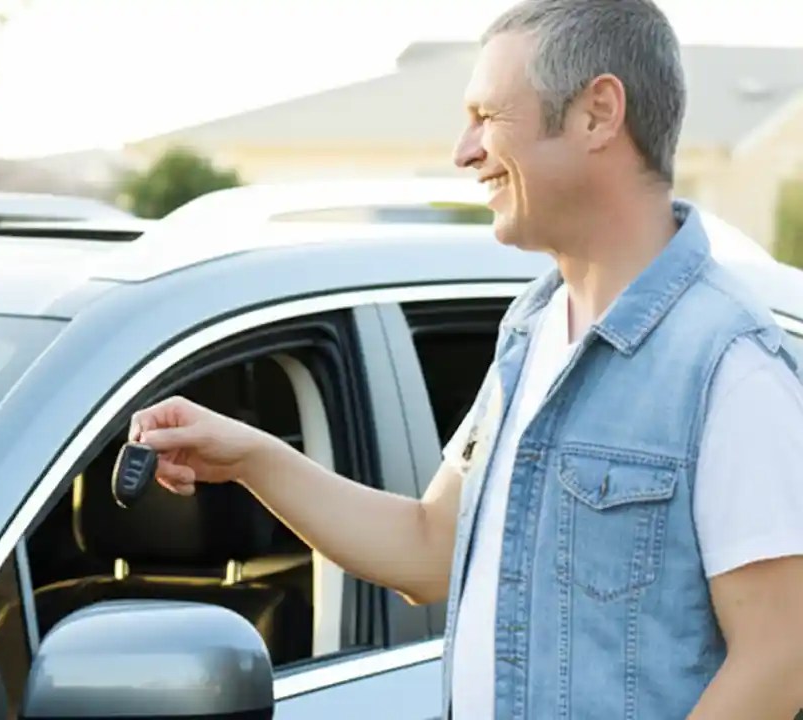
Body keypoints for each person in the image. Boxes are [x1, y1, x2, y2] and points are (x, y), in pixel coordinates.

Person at [129, 1, 803, 717]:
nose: (464, 150)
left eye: (487, 116)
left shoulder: (730, 367)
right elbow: (428, 548)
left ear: (598, 114)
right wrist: (249, 459)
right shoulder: (532, 332)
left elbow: (781, 655)